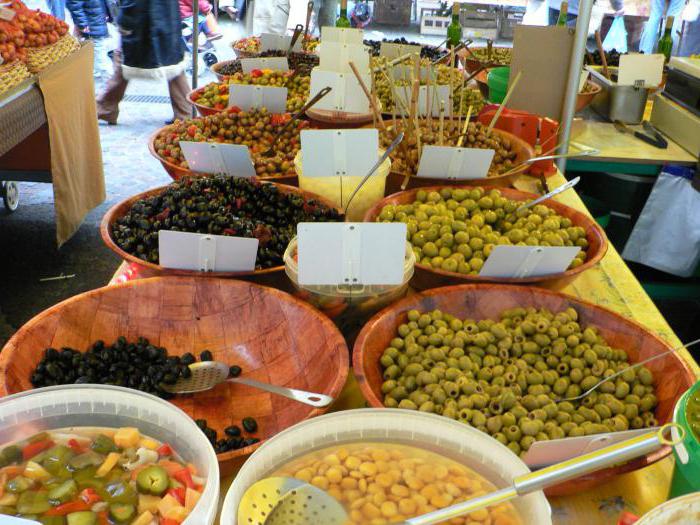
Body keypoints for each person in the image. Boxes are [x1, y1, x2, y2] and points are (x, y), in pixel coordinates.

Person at [96, 0, 190, 124]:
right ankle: (185, 112)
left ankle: (106, 107)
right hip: (165, 18)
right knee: (174, 65)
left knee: (124, 63)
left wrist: (125, 21)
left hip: (146, 22)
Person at [65, 0, 112, 79]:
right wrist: (82, 24)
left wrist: (106, 13)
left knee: (96, 48)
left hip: (97, 19)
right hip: (92, 23)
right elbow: (75, 5)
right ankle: (108, 75)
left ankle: (96, 71)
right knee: (98, 49)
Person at [548, 0, 625, 27]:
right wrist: (619, 7)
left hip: (554, 5)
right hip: (575, 9)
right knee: (569, 47)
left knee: (553, 41)